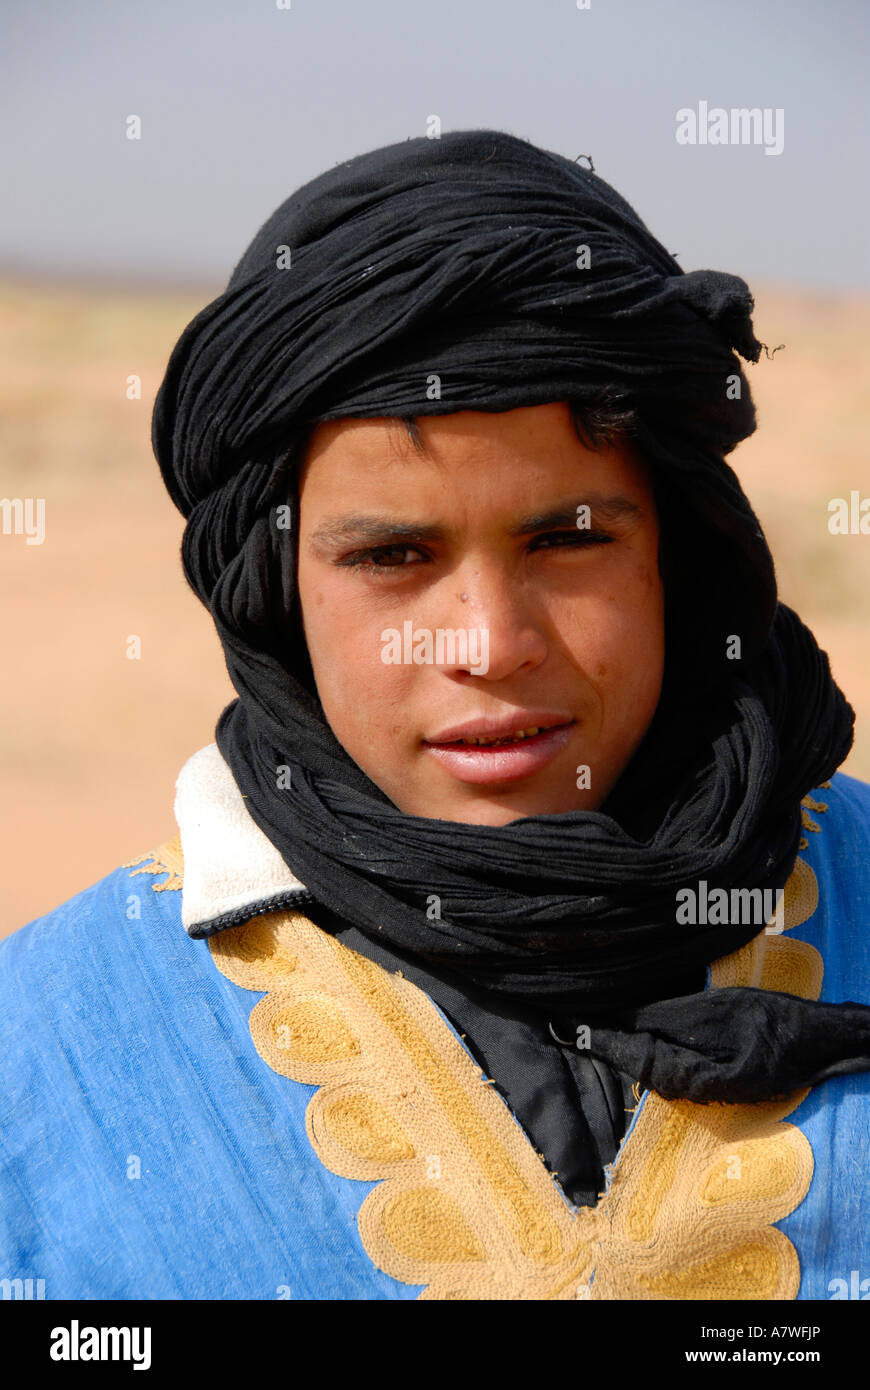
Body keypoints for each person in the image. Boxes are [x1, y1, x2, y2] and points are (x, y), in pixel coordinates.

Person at [2, 128, 869, 1303]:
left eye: (568, 539)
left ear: (680, 548)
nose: (488, 644)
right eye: (394, 555)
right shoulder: (48, 1051)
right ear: (274, 588)